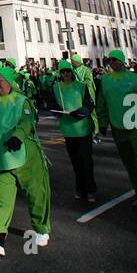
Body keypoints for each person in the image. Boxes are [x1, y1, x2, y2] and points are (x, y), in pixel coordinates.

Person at [0, 63, 51, 257]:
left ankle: (41, 229)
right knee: (1, 199)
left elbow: (26, 122)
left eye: (0, 80)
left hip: (25, 157)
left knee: (35, 195)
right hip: (1, 158)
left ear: (9, 82)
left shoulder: (22, 101)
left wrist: (17, 137)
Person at [95, 50, 137, 216]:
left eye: (116, 60)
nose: (113, 63)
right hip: (118, 126)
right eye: (110, 60)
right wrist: (102, 123)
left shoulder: (134, 78)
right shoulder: (105, 80)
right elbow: (101, 103)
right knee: (129, 163)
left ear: (123, 61)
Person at [53, 57, 97, 203]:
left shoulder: (81, 86)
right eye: (63, 71)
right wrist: (57, 110)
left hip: (83, 128)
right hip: (68, 129)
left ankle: (90, 190)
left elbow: (89, 105)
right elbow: (52, 103)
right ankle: (80, 189)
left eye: (68, 71)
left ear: (72, 72)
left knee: (86, 160)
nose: (66, 73)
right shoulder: (56, 87)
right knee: (76, 161)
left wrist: (81, 111)